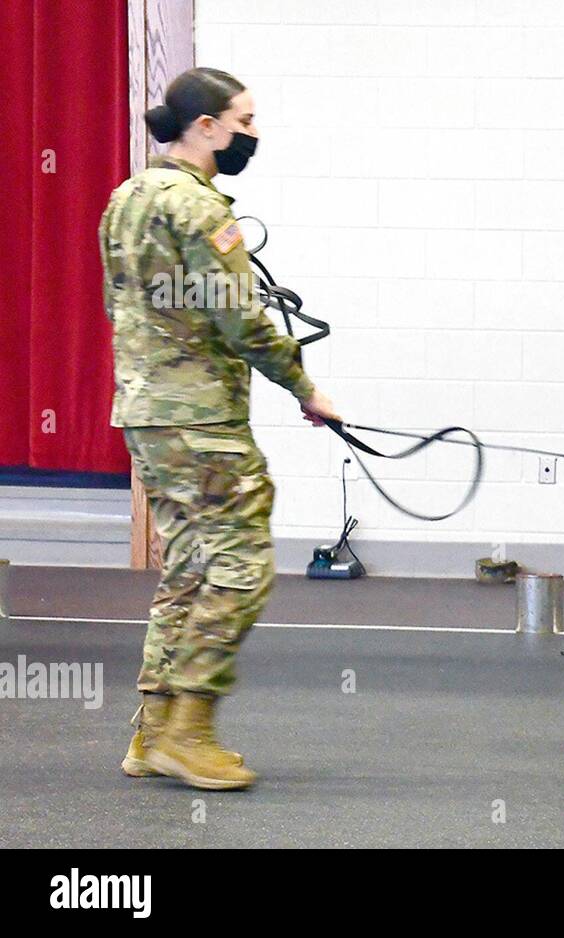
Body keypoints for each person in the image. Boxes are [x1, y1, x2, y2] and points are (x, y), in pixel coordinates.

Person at [100, 67, 338, 791]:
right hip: (200, 419)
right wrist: (305, 387)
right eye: (245, 121)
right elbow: (240, 319)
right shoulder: (202, 209)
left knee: (188, 566)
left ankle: (153, 732)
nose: (253, 134)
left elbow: (124, 306)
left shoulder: (127, 197)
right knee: (242, 565)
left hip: (145, 414)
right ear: (206, 127)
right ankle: (189, 730)